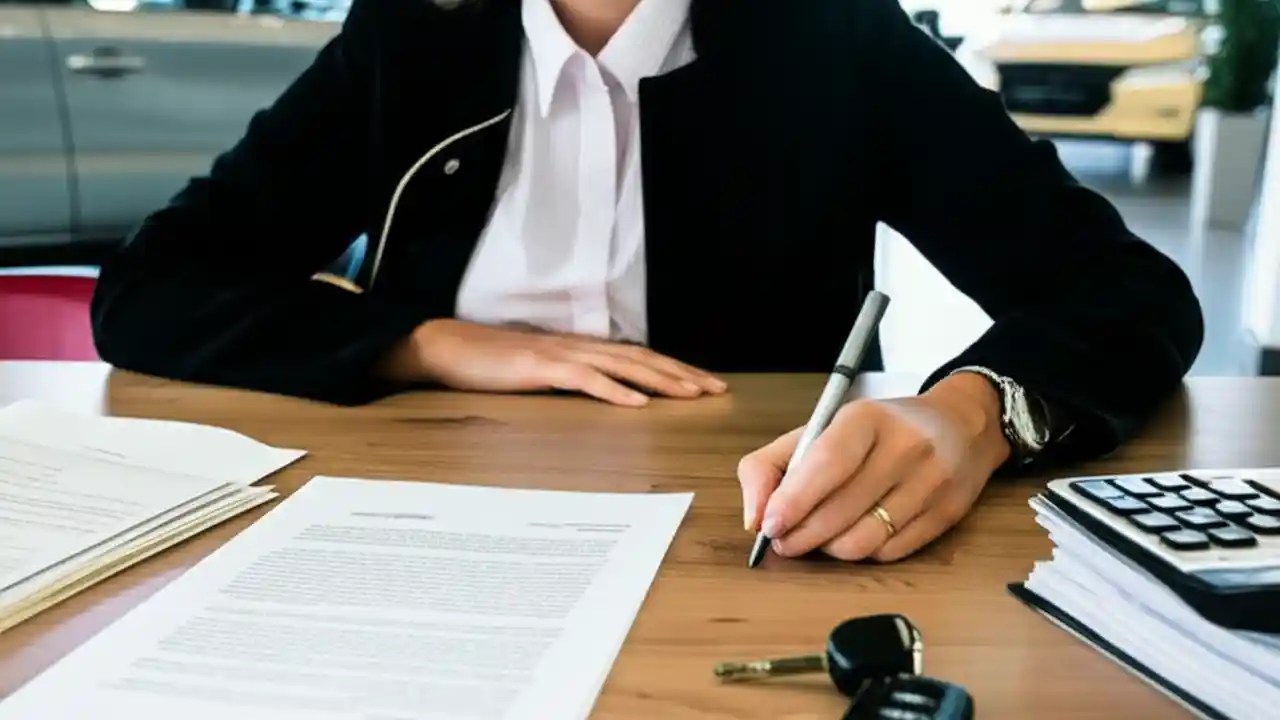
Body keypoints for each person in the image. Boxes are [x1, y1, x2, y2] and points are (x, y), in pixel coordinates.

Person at [89, 0, 1204, 564]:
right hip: (416, 522)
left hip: (738, 529)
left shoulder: (833, 38)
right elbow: (155, 285)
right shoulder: (414, 33)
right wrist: (422, 341)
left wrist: (978, 411)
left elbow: (1123, 291)